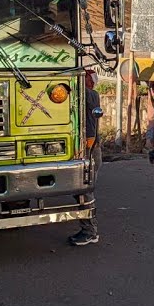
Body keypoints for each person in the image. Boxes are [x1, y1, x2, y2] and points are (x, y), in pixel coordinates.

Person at [68, 70, 103, 246]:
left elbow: (77, 90)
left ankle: (90, 231)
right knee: (81, 191)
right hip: (86, 147)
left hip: (89, 148)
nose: (82, 79)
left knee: (84, 190)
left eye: (85, 77)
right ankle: (88, 229)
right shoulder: (84, 96)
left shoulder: (91, 95)